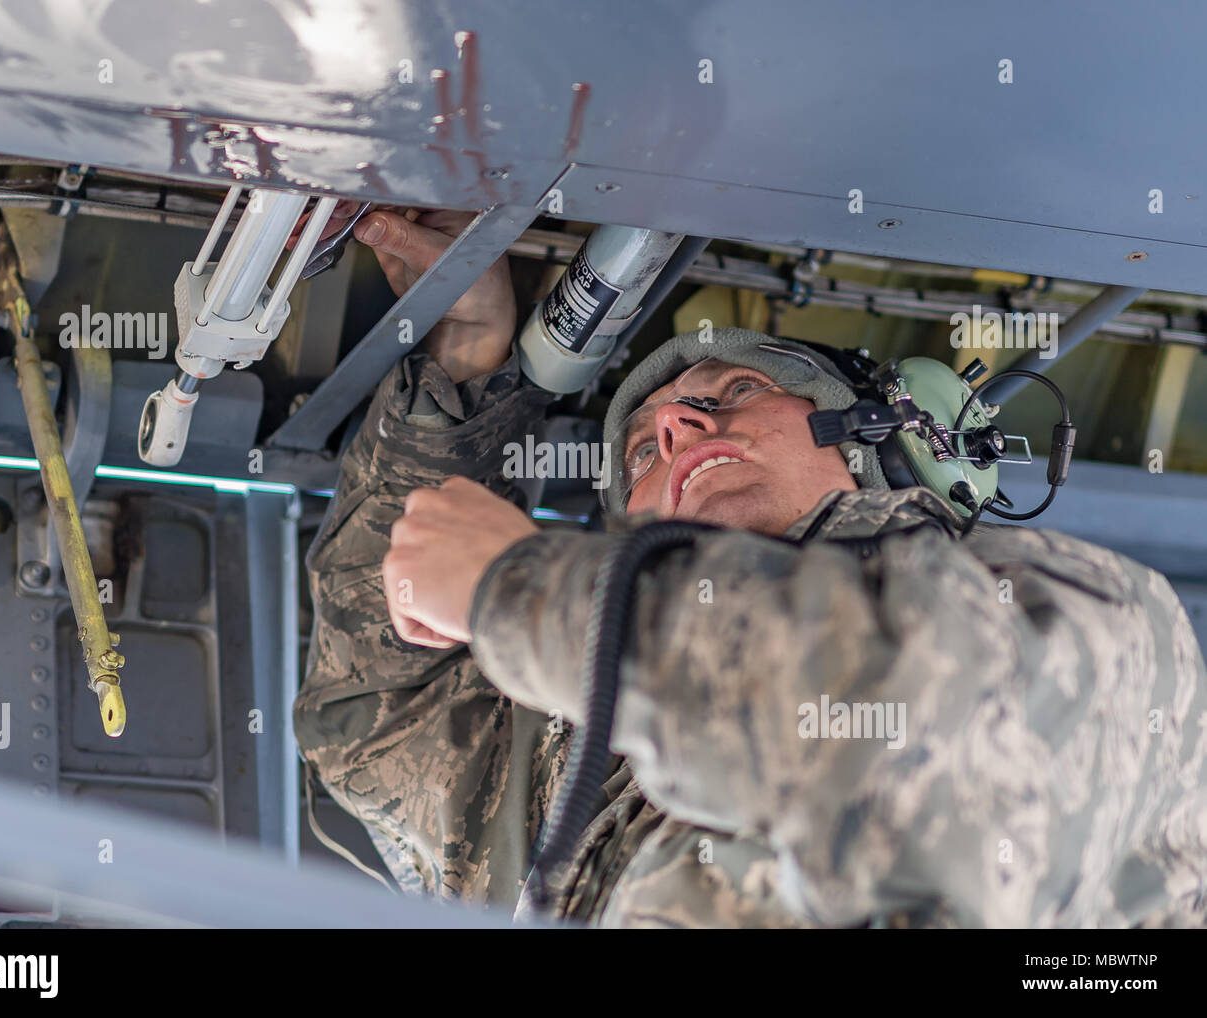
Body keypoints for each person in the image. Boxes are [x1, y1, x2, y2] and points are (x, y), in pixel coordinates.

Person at [293, 205, 1207, 927]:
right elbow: (371, 719)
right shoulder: (581, 758)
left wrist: (524, 592)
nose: (679, 428)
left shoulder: (1088, 620)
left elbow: (921, 716)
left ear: (875, 443)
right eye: (644, 455)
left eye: (737, 393)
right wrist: (466, 359)